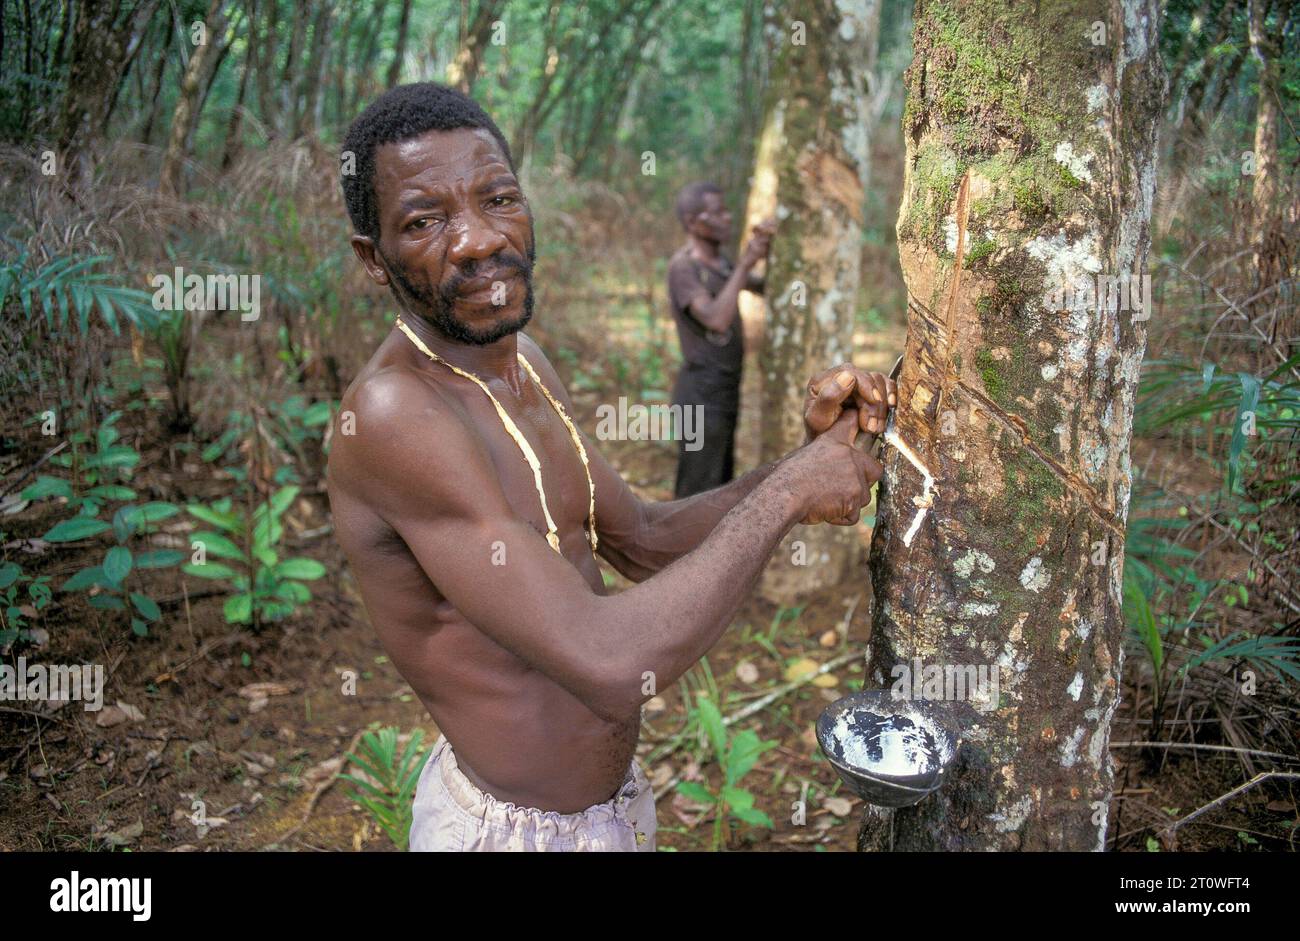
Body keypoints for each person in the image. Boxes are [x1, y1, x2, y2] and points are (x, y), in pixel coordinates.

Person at [328, 82, 896, 852]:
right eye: (426, 221)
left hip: (608, 813)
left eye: (497, 198)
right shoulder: (396, 415)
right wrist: (791, 492)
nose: (477, 240)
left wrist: (810, 458)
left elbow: (645, 538)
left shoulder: (522, 361)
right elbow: (607, 659)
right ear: (374, 258)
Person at [666, 181, 775, 497]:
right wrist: (745, 263)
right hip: (700, 397)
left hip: (725, 392)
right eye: (716, 212)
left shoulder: (722, 263)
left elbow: (764, 286)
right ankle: (681, 547)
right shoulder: (684, 267)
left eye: (726, 210)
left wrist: (772, 245)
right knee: (696, 489)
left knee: (719, 485)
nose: (727, 218)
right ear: (692, 222)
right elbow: (715, 319)